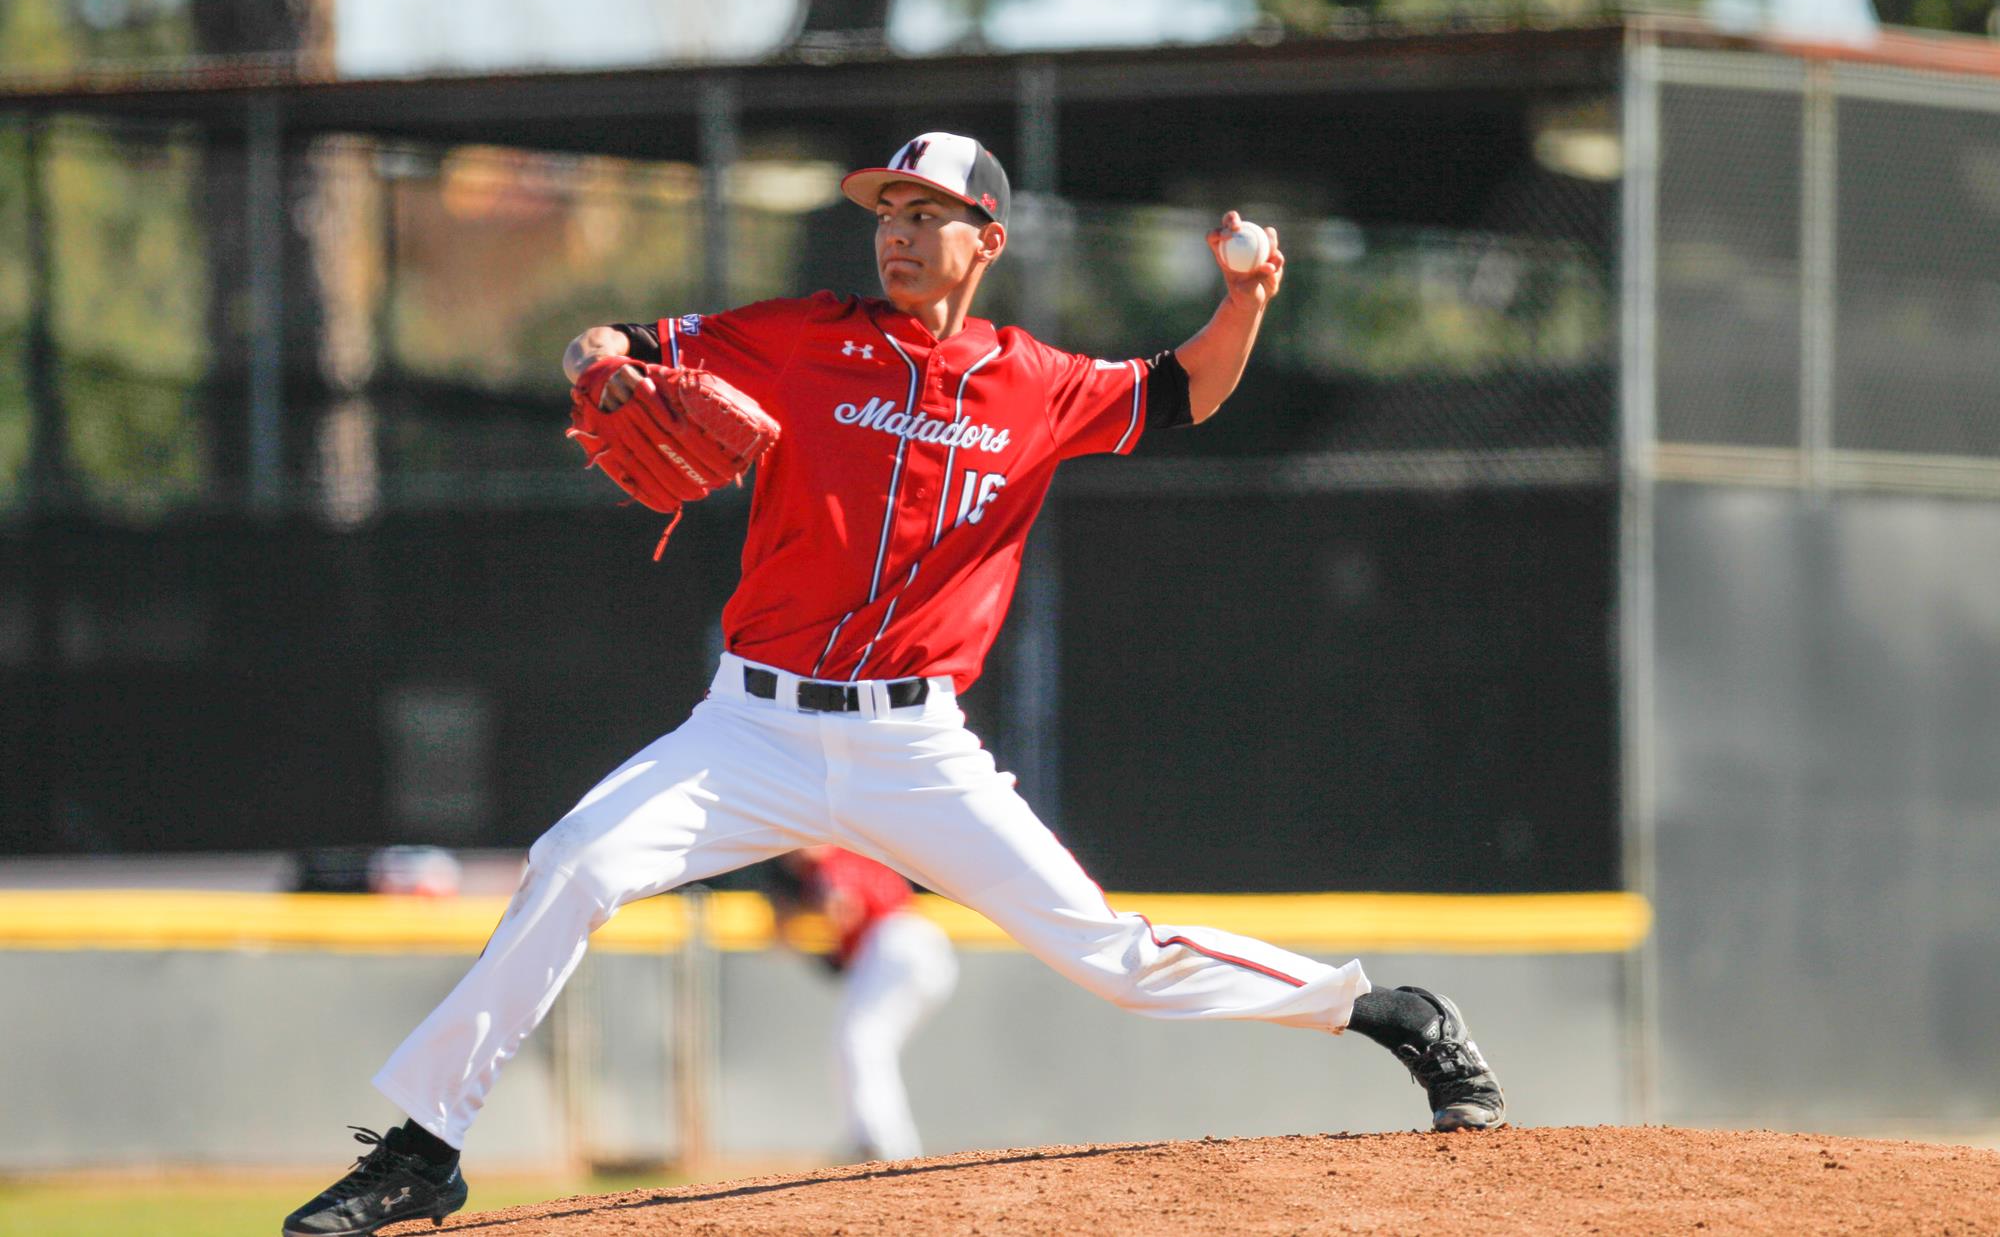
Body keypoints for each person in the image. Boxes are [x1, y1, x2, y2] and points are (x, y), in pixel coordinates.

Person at [282, 131, 1505, 1236]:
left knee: (1113, 960)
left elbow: (1182, 390)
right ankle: (424, 1148)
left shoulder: (1032, 381)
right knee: (574, 865)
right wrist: (593, 354)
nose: (900, 233)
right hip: (748, 728)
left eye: (928, 213)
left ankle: (1389, 1013)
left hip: (914, 749)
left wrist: (1240, 299)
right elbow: (625, 342)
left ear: (988, 237)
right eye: (887, 211)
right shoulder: (804, 335)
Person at [762, 846, 959, 1162]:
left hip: (893, 942)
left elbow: (842, 903)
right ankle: (889, 1143)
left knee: (860, 1042)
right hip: (924, 945)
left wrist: (798, 924)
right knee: (869, 1045)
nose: (790, 854)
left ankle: (877, 1143)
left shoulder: (832, 861)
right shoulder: (855, 849)